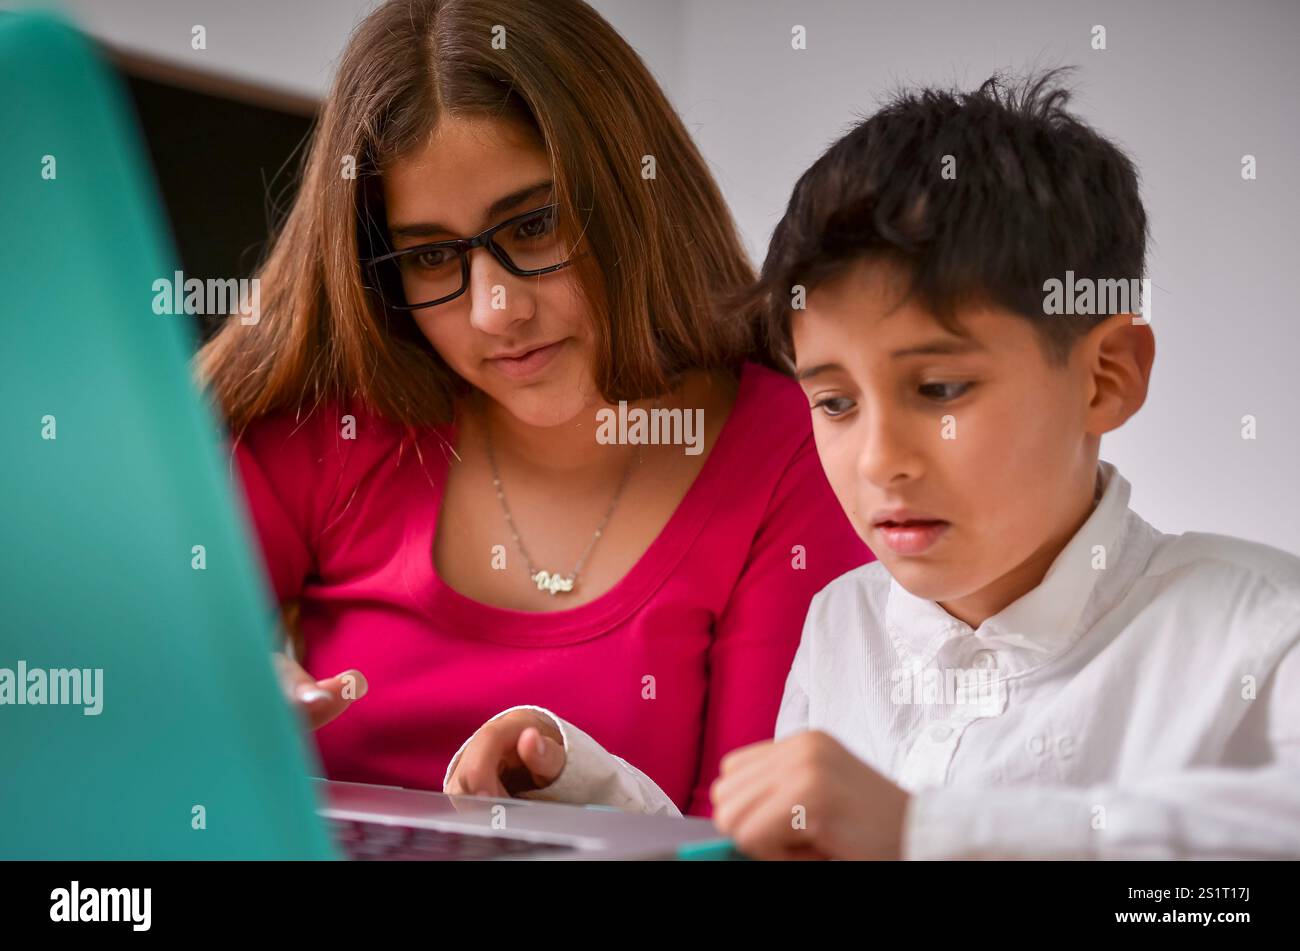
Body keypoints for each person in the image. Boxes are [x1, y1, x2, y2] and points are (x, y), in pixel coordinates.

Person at [486, 70, 1300, 859]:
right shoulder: (846, 621)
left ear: (1105, 376)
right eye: (835, 402)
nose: (880, 461)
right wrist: (584, 795)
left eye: (940, 388)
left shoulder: (1261, 631)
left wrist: (925, 835)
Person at [197, 0, 870, 818]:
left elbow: (744, 835)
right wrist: (198, 682)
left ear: (633, 192)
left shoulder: (795, 453)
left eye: (535, 224)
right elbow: (110, 654)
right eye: (433, 255)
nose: (494, 310)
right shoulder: (337, 418)